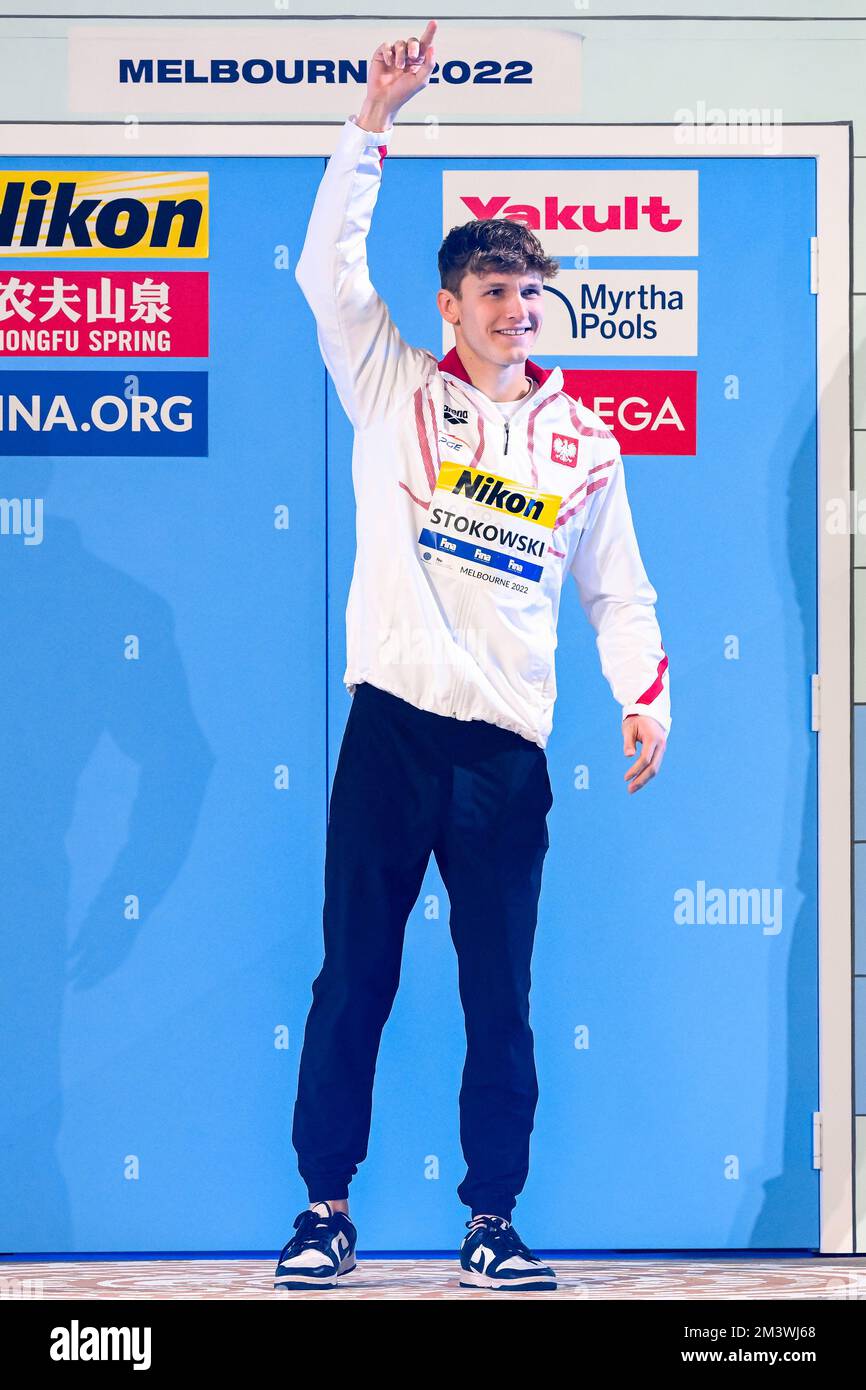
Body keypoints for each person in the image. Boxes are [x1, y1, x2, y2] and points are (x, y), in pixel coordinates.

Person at [274, 18, 671, 1294]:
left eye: (524, 290)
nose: (511, 307)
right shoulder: (391, 386)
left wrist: (642, 695)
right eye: (488, 290)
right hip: (390, 732)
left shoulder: (584, 440)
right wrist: (369, 124)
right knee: (355, 981)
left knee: (499, 1000)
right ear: (449, 305)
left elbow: (617, 589)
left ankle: (489, 1219)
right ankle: (324, 1210)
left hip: (505, 756)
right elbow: (324, 278)